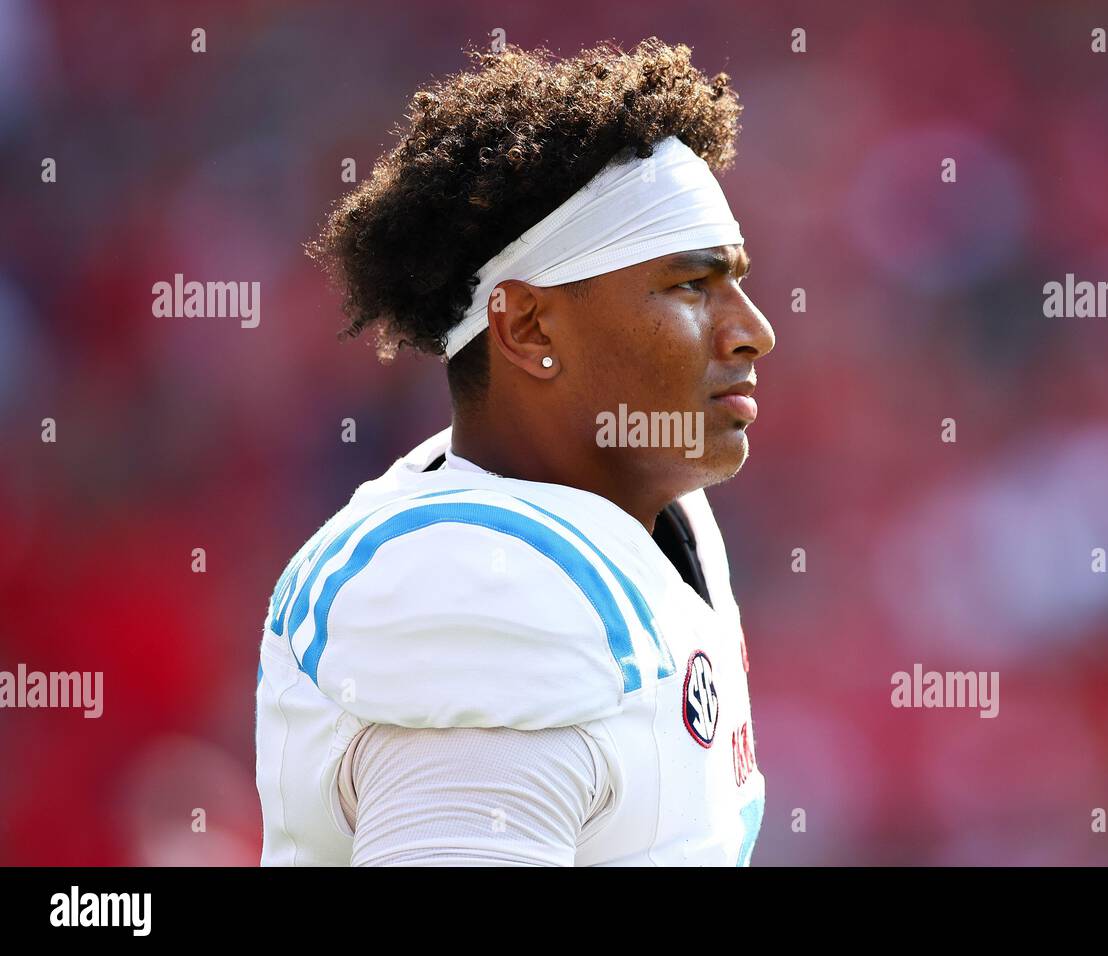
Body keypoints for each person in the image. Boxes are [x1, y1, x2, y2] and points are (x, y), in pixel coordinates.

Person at [255, 37, 775, 866]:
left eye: (737, 280)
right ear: (530, 327)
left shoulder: (663, 516)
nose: (754, 330)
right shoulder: (482, 597)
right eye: (690, 285)